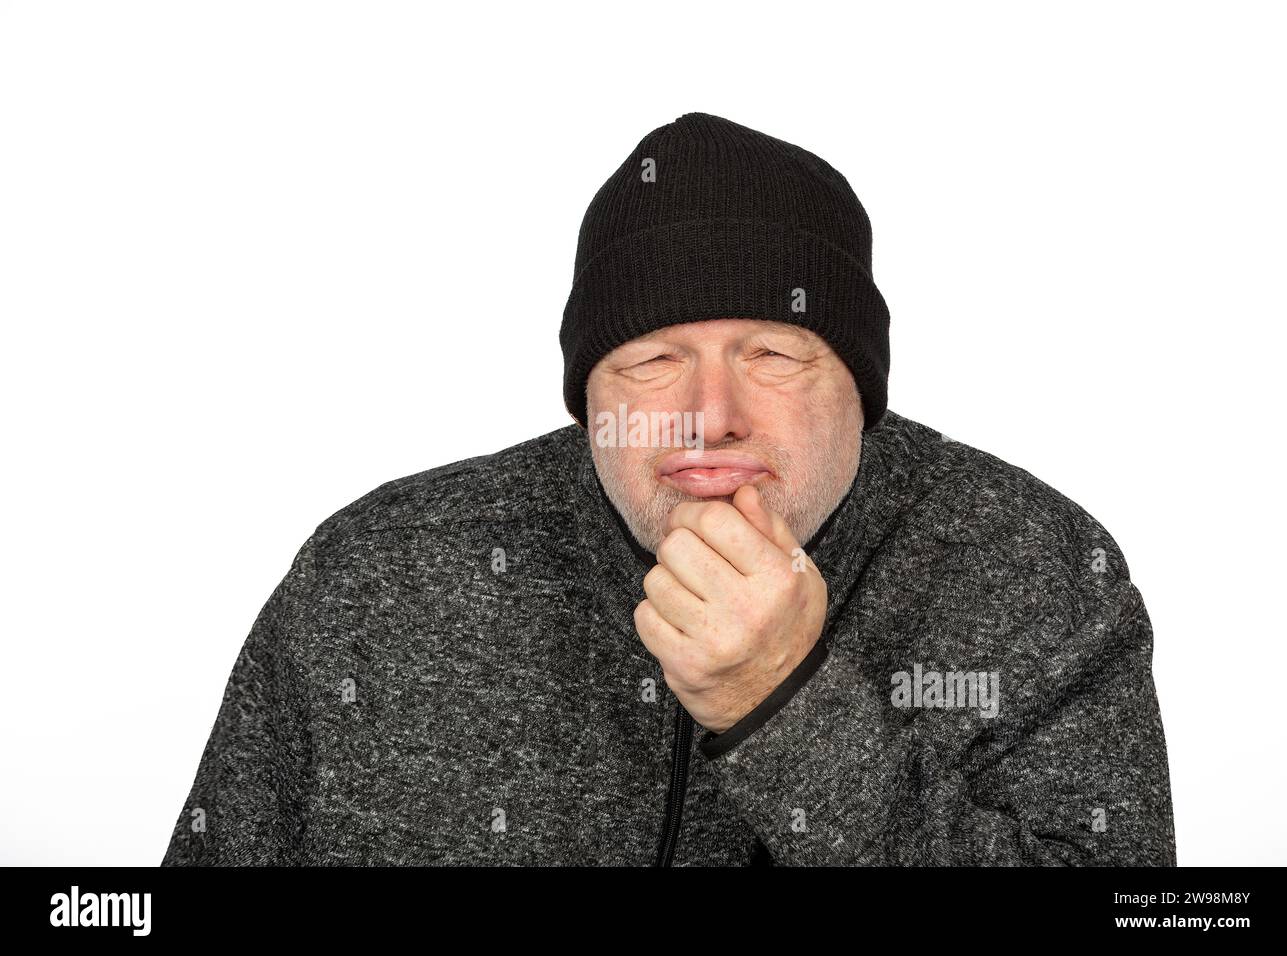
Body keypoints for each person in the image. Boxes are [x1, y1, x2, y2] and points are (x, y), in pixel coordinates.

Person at [162, 112, 1176, 866]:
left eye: (772, 352)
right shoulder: (374, 577)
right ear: (587, 395)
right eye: (651, 359)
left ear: (860, 386)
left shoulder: (1035, 571)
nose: (707, 414)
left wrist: (786, 709)